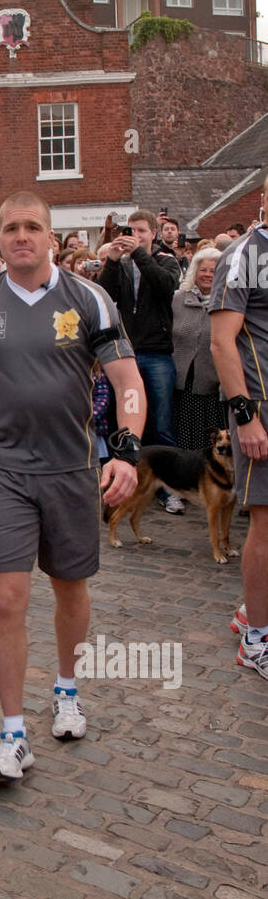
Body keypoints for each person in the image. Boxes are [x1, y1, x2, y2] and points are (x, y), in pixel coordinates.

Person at [0, 191, 144, 781]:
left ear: (51, 237)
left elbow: (128, 380)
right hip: (5, 472)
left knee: (70, 590)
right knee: (6, 598)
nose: (21, 236)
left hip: (73, 470)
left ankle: (67, 689)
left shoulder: (90, 299)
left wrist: (127, 450)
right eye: (11, 228)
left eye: (33, 227)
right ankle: (12, 733)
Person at [209, 185, 268, 679]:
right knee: (264, 526)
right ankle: (257, 640)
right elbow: (222, 342)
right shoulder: (244, 253)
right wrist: (245, 415)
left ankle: (253, 610)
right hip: (262, 408)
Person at [99, 209, 183, 511]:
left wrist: (139, 255)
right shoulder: (120, 265)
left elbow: (165, 286)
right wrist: (112, 259)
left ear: (153, 234)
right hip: (125, 353)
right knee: (117, 420)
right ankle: (117, 483)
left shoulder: (166, 260)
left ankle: (169, 488)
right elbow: (104, 295)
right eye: (130, 231)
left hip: (157, 352)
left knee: (160, 423)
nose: (134, 236)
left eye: (141, 231)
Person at [171, 247, 224, 449]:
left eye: (213, 270)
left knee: (210, 443)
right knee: (184, 442)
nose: (208, 275)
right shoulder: (178, 299)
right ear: (195, 271)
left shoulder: (227, 302)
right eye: (203, 270)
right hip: (181, 384)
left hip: (213, 385)